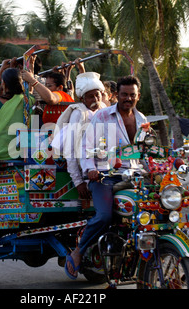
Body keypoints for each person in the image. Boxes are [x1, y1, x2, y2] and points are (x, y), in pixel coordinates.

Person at [64, 75, 147, 280]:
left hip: (133, 176)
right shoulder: (102, 117)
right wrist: (90, 170)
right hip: (105, 177)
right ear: (116, 95)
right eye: (124, 94)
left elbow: (147, 152)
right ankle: (79, 251)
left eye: (132, 95)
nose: (128, 98)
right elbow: (85, 147)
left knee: (153, 211)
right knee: (104, 216)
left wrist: (154, 168)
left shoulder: (142, 120)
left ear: (138, 96)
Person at [52, 72, 107, 200]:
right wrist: (78, 182)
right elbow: (70, 149)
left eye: (97, 95)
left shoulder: (104, 110)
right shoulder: (79, 114)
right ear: (82, 99)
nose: (95, 100)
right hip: (87, 173)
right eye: (90, 97)